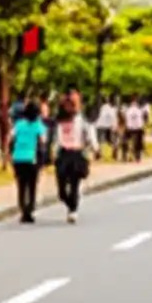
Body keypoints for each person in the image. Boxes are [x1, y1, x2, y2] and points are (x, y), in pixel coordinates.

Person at [53, 95, 98, 223]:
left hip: (77, 153)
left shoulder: (81, 120)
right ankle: (68, 203)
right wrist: (53, 151)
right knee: (61, 190)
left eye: (70, 105)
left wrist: (95, 148)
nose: (68, 108)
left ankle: (73, 209)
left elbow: (89, 133)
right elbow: (56, 137)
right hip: (63, 154)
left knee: (74, 184)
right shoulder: (60, 120)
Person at [11, 100, 47, 223]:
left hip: (18, 158)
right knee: (32, 186)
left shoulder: (19, 124)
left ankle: (23, 210)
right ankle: (30, 210)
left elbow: (11, 139)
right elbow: (43, 141)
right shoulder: (39, 126)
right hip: (32, 158)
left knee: (21, 185)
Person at [123, 96, 145, 161]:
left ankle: (125, 155)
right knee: (139, 142)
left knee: (125, 141)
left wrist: (128, 126)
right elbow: (141, 120)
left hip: (130, 128)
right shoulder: (139, 110)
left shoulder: (128, 110)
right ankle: (138, 155)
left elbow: (126, 119)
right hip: (138, 128)